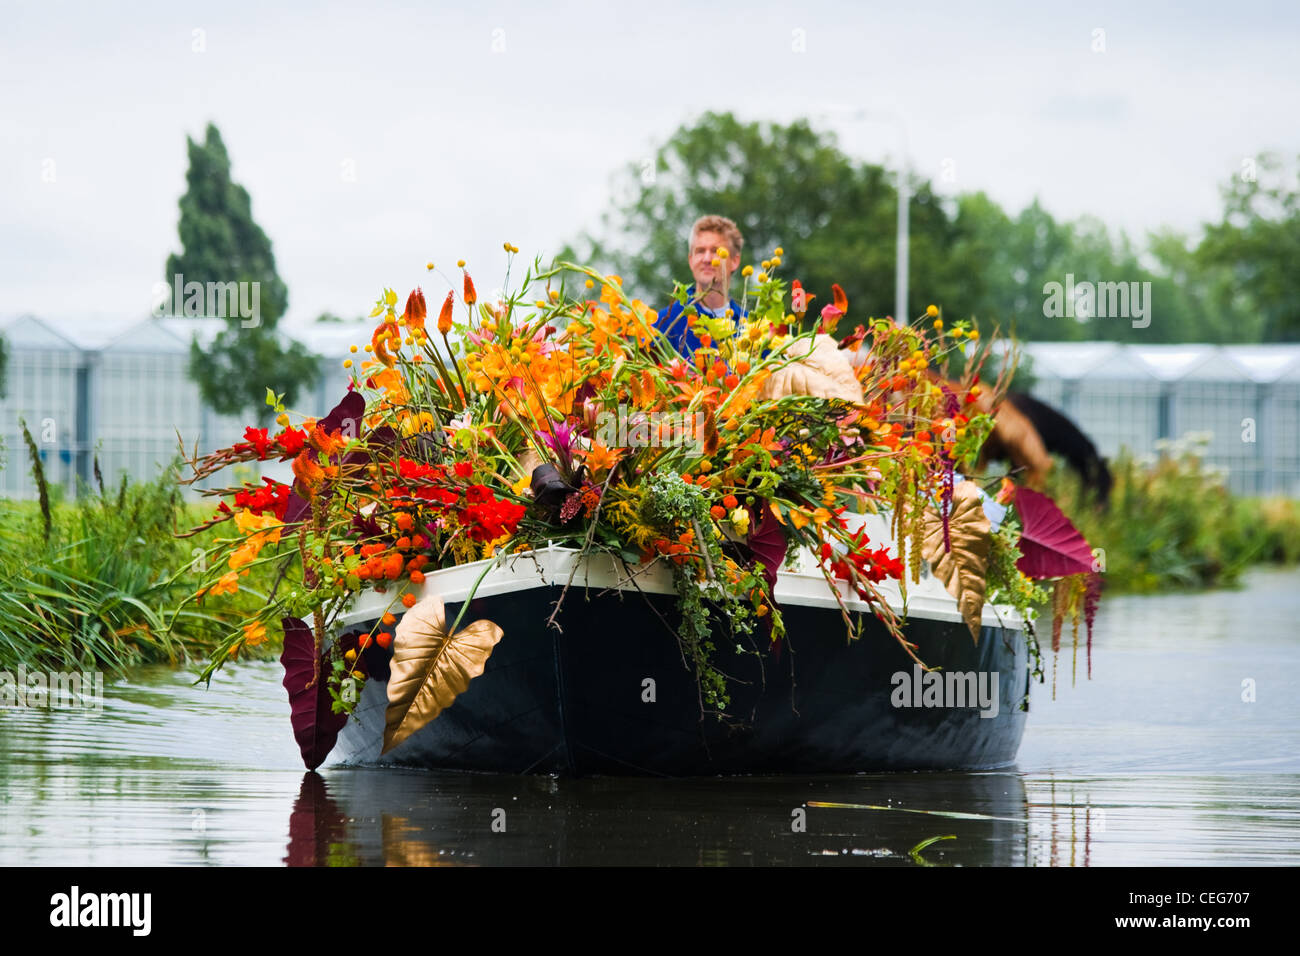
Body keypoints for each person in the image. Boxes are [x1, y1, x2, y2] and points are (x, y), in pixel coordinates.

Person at [654, 215, 748, 358]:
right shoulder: (664, 322)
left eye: (716, 251)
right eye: (700, 251)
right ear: (691, 260)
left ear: (735, 261)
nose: (707, 259)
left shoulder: (752, 328)